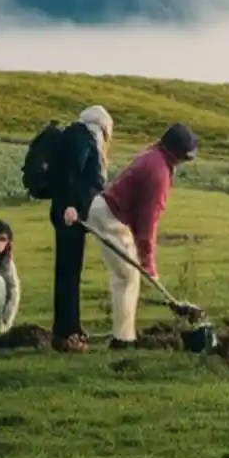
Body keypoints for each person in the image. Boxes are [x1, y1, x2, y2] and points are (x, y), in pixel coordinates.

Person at [75, 123, 199, 348]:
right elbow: (148, 222)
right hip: (112, 217)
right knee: (127, 277)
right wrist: (148, 263)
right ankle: (122, 340)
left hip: (106, 211)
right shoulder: (159, 172)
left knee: (126, 276)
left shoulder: (153, 155)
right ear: (177, 153)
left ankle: (124, 335)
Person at [49, 105, 114, 354]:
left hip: (69, 212)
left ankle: (71, 328)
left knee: (70, 272)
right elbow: (71, 176)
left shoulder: (78, 135)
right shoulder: (82, 139)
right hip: (70, 214)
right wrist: (71, 206)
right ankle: (66, 334)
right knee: (68, 274)